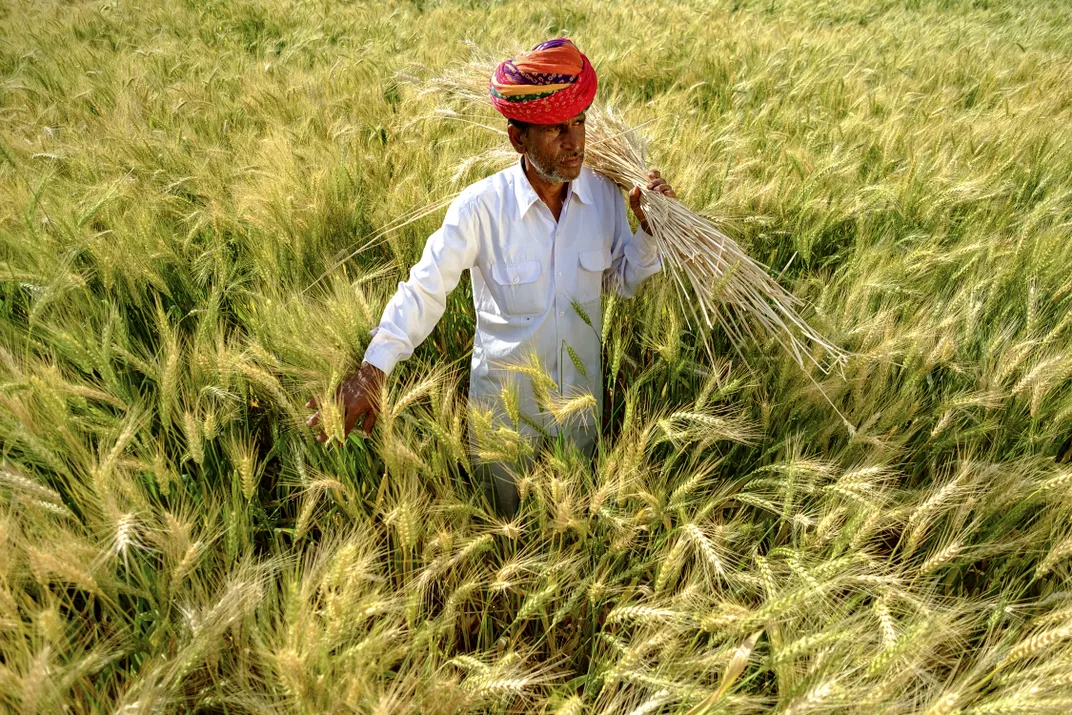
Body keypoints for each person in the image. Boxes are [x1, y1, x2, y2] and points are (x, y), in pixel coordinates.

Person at [306, 38, 675, 515]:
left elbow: (621, 282)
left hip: (581, 417)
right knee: (506, 533)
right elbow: (425, 288)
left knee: (576, 533)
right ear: (518, 139)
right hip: (504, 423)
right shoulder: (480, 209)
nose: (575, 142)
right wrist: (372, 371)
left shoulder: (604, 196)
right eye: (556, 129)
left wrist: (649, 231)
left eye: (580, 122)